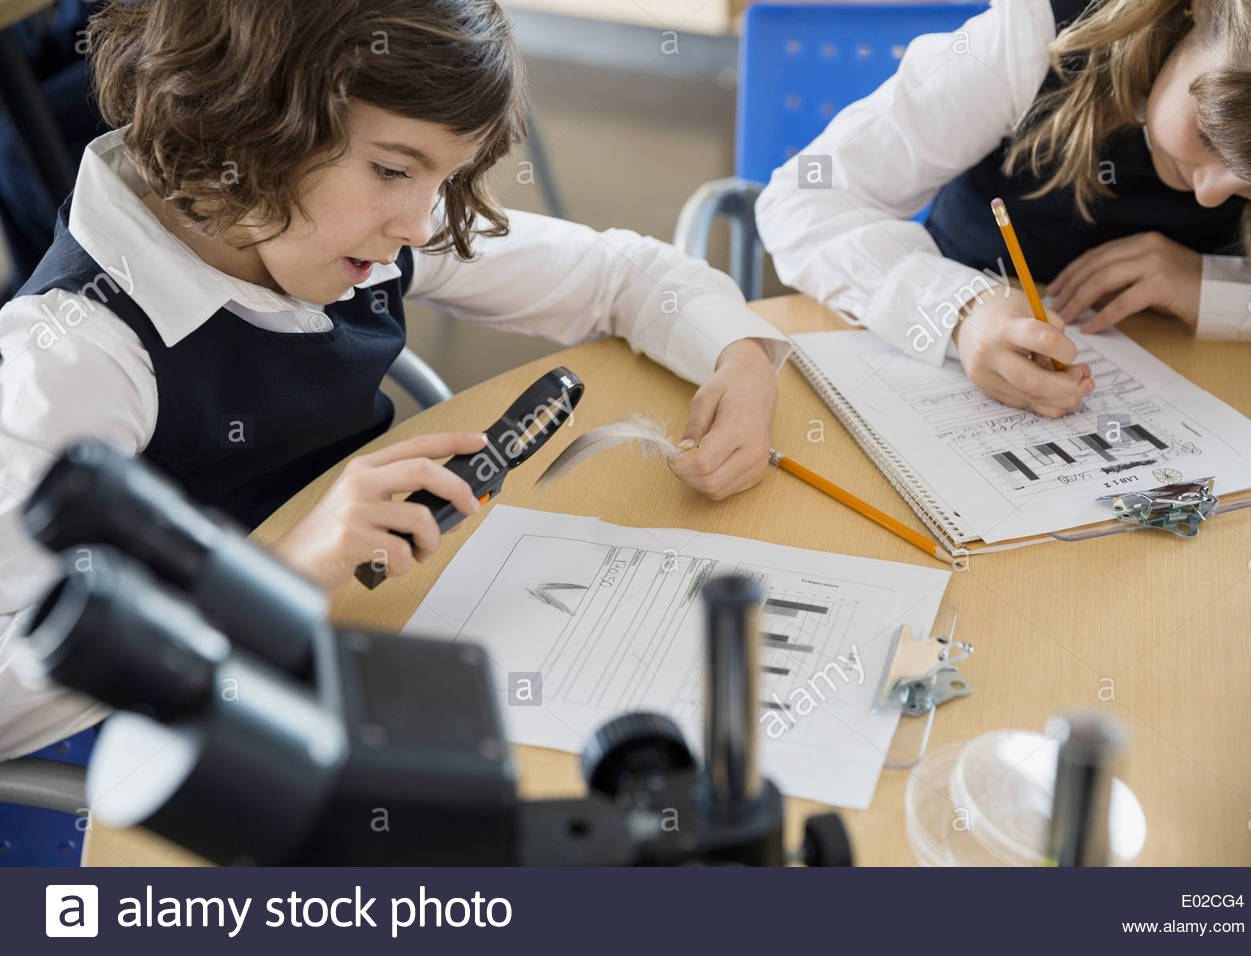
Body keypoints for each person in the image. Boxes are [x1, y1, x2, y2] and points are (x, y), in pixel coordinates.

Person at [0, 0, 791, 760]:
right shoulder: (78, 356)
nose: (419, 225)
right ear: (245, 120)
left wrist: (742, 356)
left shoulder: (335, 221)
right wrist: (280, 574)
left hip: (373, 626)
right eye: (391, 169)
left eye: (443, 178)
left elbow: (619, 275)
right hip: (180, 740)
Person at [757, 0, 1251, 419]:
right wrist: (960, 312)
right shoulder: (1033, 42)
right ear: (1202, 8)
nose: (1209, 193)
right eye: (1209, 134)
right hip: (947, 384)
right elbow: (802, 198)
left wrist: (1214, 286)